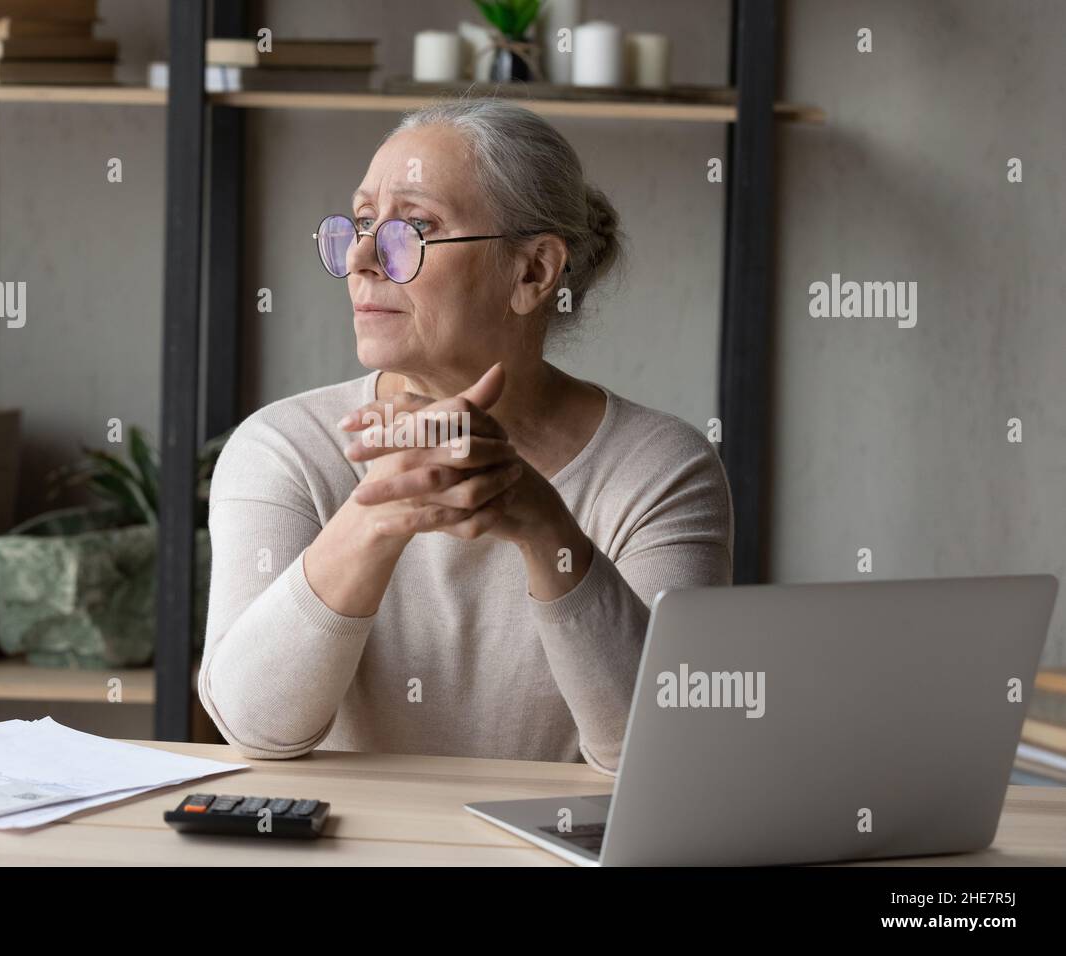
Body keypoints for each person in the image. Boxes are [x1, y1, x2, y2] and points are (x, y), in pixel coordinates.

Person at [198, 98, 733, 775]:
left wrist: (543, 526)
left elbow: (661, 755)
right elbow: (255, 727)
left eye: (415, 227)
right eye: (362, 222)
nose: (360, 257)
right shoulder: (283, 447)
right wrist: (377, 515)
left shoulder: (660, 467)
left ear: (532, 272)